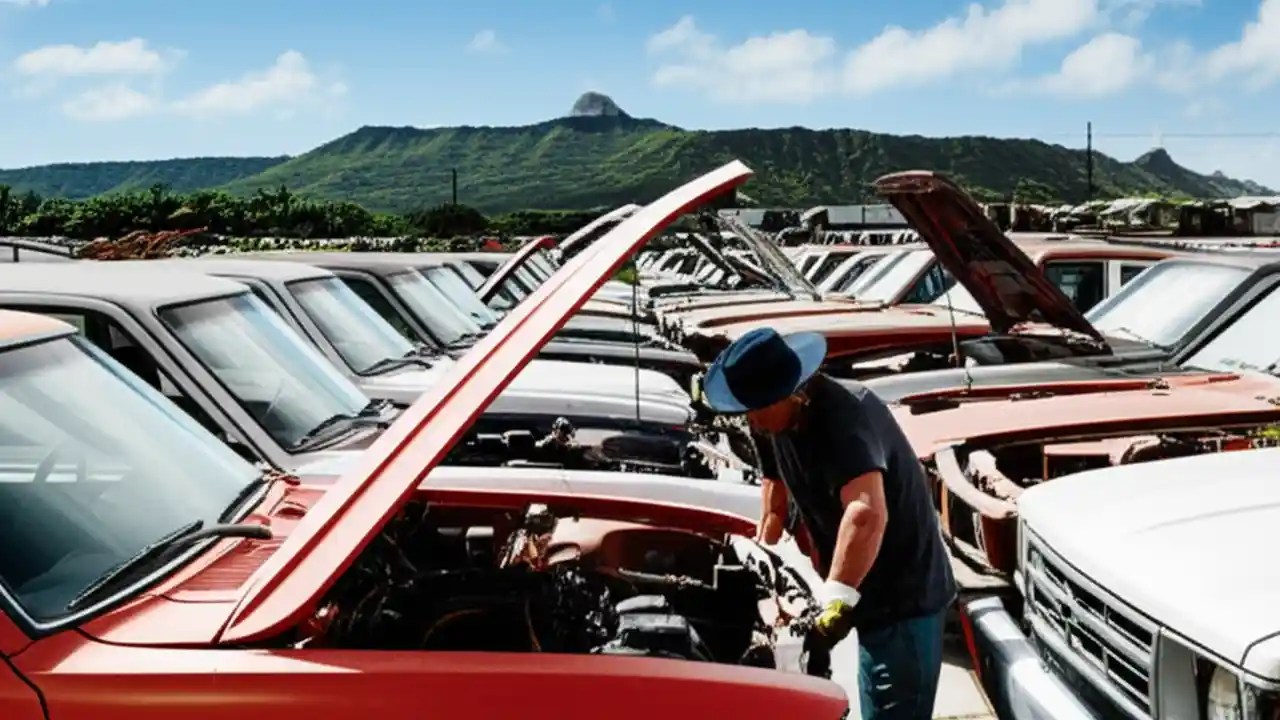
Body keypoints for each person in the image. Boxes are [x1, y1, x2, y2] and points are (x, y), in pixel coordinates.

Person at [701, 326, 956, 720]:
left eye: (754, 409)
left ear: (790, 393)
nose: (749, 420)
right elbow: (774, 482)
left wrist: (835, 601)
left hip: (902, 599)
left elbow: (866, 513)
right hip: (864, 590)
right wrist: (764, 547)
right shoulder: (772, 421)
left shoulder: (845, 415)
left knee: (890, 708)